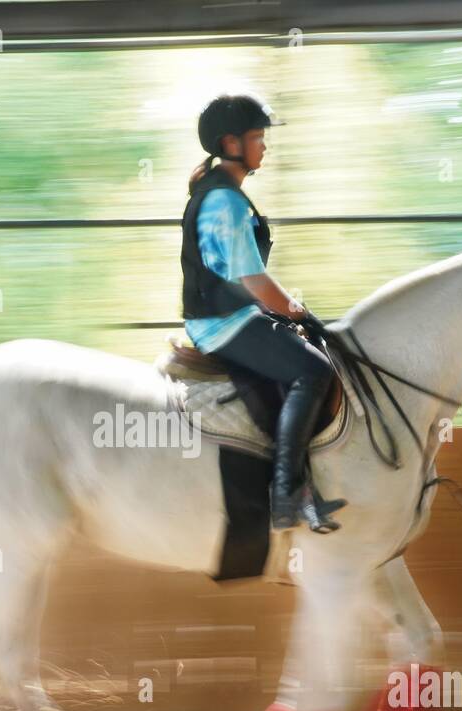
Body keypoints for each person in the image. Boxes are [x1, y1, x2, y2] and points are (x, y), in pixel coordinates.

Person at [180, 93, 344, 533]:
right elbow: (252, 281)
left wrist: (294, 313)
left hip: (232, 315)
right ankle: (286, 491)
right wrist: (297, 313)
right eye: (257, 137)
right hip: (222, 324)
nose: (265, 146)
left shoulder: (224, 192)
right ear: (231, 143)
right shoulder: (226, 202)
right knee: (314, 370)